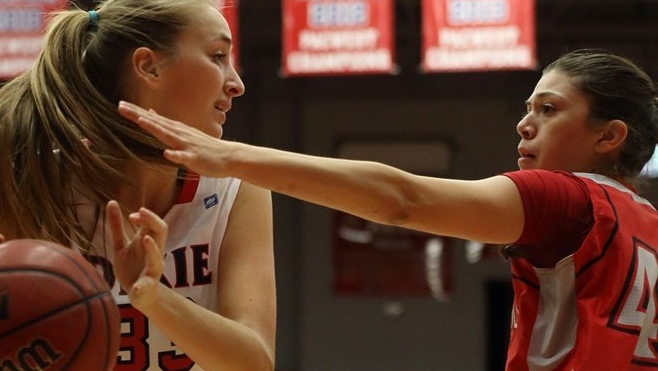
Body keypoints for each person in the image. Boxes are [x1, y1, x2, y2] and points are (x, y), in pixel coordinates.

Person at [120, 48, 658, 370]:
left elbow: (400, 199)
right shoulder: (649, 225)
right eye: (528, 108)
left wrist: (230, 156)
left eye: (549, 109)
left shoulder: (567, 199)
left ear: (608, 136)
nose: (525, 124)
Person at [0, 0, 275, 371]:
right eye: (218, 55)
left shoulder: (236, 189)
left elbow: (255, 362)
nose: (237, 84)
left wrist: (153, 298)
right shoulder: (36, 184)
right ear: (148, 66)